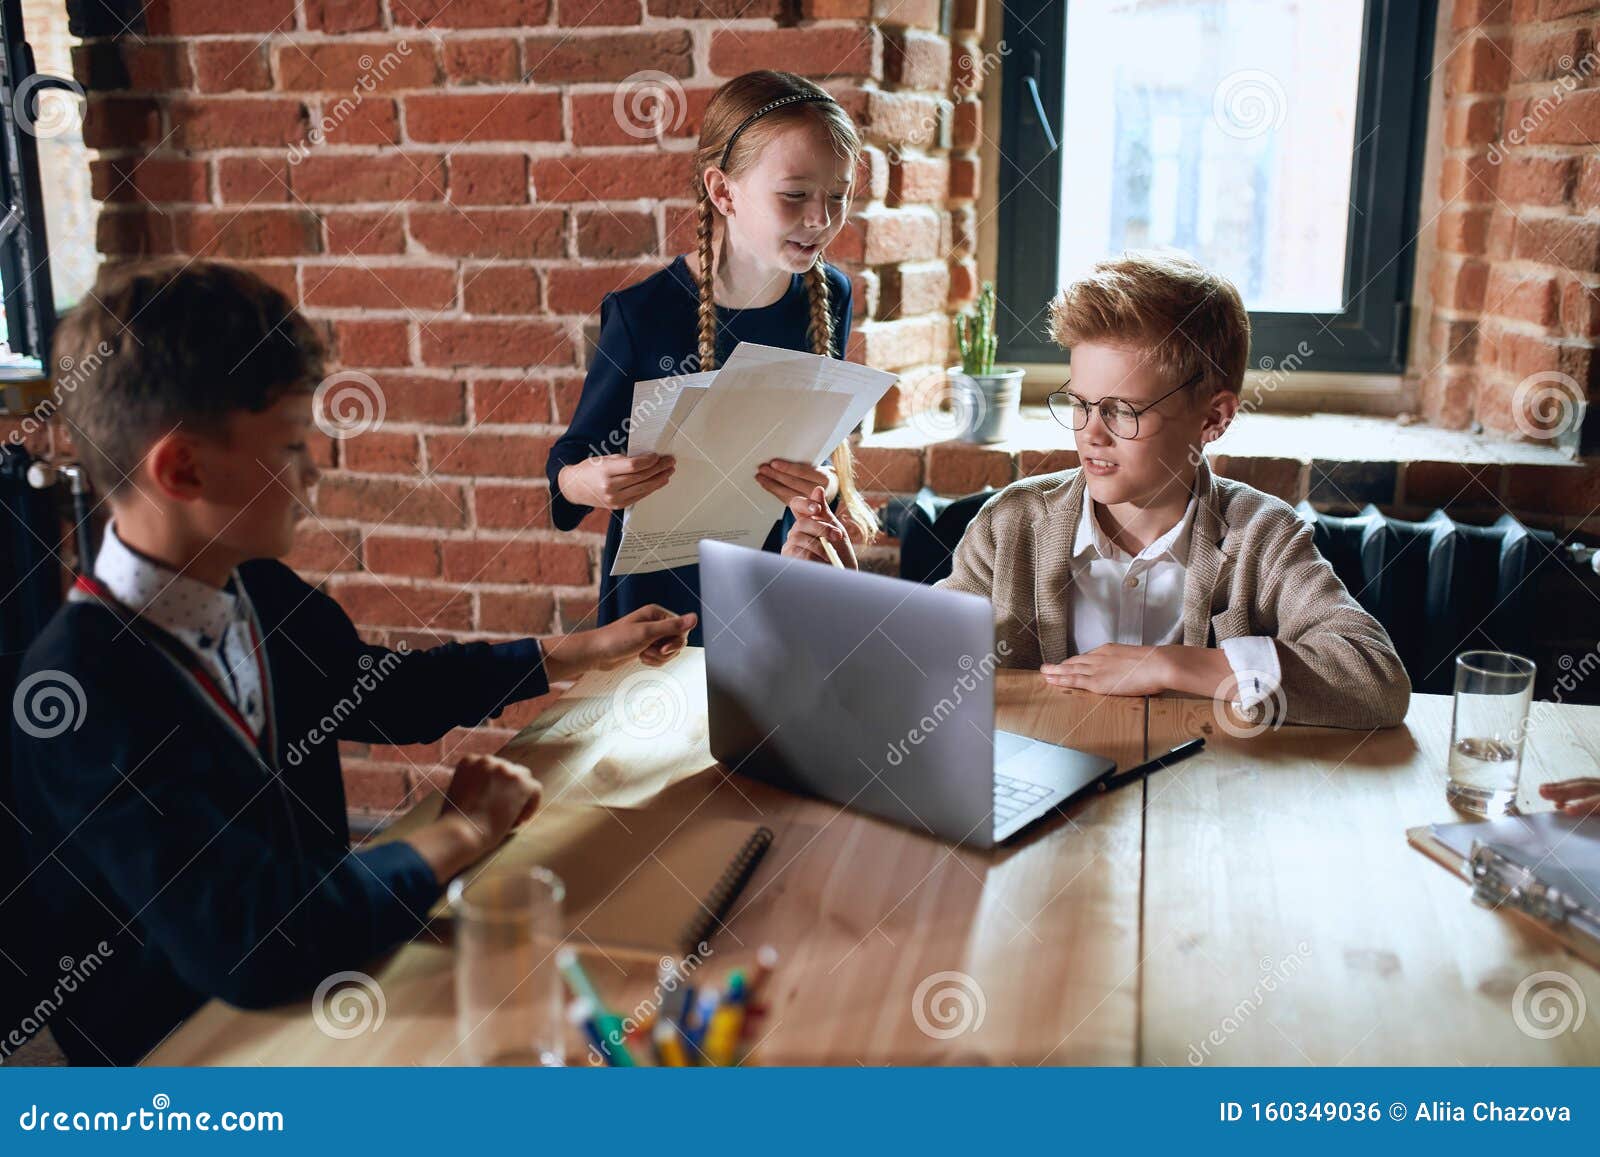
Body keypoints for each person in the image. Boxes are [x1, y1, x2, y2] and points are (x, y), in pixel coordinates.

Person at [9, 259, 695, 1064]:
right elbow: (257, 937)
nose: (315, 470)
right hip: (194, 1060)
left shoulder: (253, 587)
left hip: (330, 989)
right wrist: (460, 836)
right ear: (183, 469)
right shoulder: (85, 686)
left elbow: (378, 692)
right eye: (292, 444)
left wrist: (570, 653)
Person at [782, 250, 1410, 729]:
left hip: (1206, 808)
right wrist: (839, 597)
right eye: (1079, 405)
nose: (1091, 435)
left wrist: (1172, 666)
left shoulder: (1262, 537)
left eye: (1123, 412)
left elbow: (1376, 679)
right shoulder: (1011, 527)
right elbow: (927, 662)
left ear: (1213, 418)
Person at [546, 70, 878, 644]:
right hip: (660, 597)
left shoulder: (833, 296)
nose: (820, 218)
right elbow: (570, 462)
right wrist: (585, 482)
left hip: (775, 580)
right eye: (795, 195)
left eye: (838, 196)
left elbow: (815, 451)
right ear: (723, 192)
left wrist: (815, 483)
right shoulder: (641, 313)